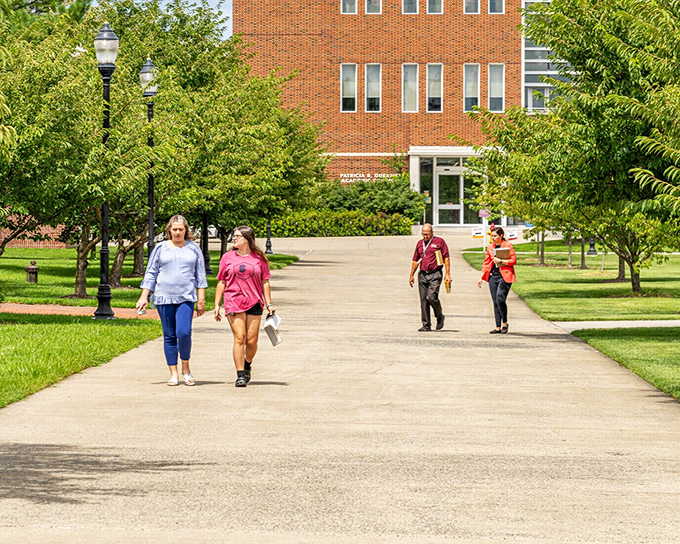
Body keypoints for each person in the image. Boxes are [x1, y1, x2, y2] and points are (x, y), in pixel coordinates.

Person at [136, 215, 207, 385]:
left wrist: (201, 298)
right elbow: (151, 273)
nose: (177, 232)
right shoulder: (160, 248)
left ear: (186, 230)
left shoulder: (193, 248)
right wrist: (144, 295)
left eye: (180, 229)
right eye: (174, 229)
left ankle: (186, 368)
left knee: (183, 333)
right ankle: (173, 373)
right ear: (169, 230)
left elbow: (200, 274)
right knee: (169, 335)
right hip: (163, 297)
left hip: (186, 297)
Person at [214, 225, 274, 387]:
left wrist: (269, 304)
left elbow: (265, 282)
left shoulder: (259, 258)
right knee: (240, 337)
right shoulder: (227, 257)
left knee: (252, 341)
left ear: (247, 239)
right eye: (233, 236)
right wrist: (216, 304)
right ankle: (240, 374)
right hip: (233, 301)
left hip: (254, 302)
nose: (234, 239)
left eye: (237, 236)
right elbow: (221, 282)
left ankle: (247, 364)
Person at [409, 223, 451, 332]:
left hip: (435, 273)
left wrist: (447, 273)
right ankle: (426, 325)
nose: (425, 236)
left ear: (432, 232)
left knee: (432, 297)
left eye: (427, 234)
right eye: (423, 234)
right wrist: (411, 275)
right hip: (423, 274)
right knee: (423, 300)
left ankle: (439, 316)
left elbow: (446, 257)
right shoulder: (419, 244)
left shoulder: (439, 242)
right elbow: (415, 260)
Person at [477, 226, 517, 334]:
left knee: (500, 299)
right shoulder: (490, 247)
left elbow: (513, 260)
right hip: (493, 276)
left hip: (504, 276)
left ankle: (505, 323)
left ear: (501, 235)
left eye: (495, 236)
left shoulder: (508, 246)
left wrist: (501, 261)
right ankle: (497, 326)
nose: (493, 238)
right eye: (492, 236)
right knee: (495, 301)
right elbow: (486, 263)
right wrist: (481, 277)